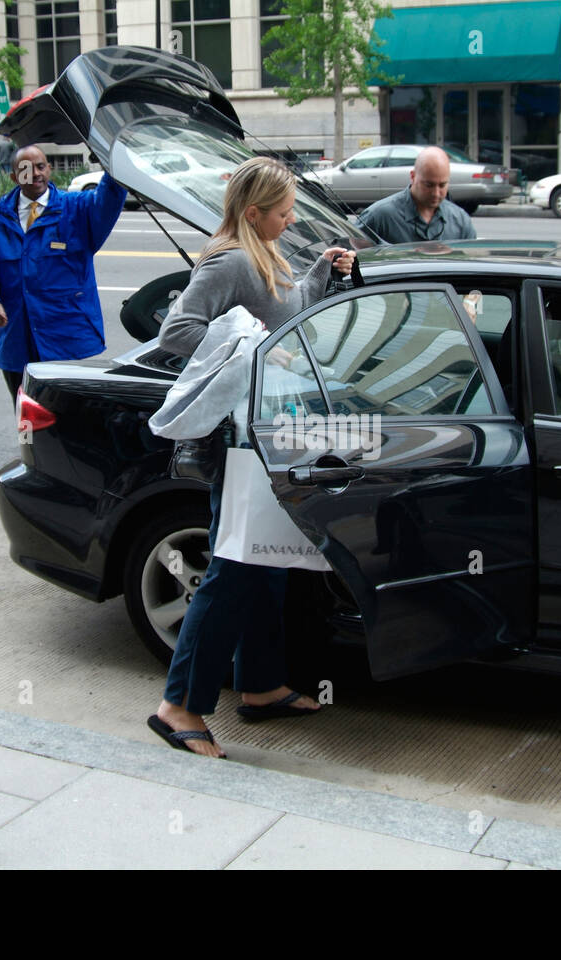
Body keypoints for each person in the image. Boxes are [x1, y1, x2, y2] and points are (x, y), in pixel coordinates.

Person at [148, 156, 356, 758]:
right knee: (235, 569)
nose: (291, 221)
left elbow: (285, 318)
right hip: (239, 446)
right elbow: (178, 333)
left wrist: (318, 273)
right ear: (253, 212)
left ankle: (261, 686)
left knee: (264, 562)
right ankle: (178, 706)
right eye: (284, 212)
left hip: (269, 439)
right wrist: (259, 354)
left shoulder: (264, 256)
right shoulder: (230, 260)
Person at [0, 145, 128, 403]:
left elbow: (111, 195)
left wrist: (110, 158)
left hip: (67, 344)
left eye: (40, 166)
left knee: (72, 423)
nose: (35, 173)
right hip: (17, 346)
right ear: (14, 176)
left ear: (49, 169)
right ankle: (29, 444)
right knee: (27, 420)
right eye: (26, 168)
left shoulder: (78, 210)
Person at [356, 146, 476, 244]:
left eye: (442, 185)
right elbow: (349, 257)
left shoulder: (460, 220)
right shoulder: (379, 217)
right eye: (429, 185)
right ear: (413, 177)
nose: (436, 193)